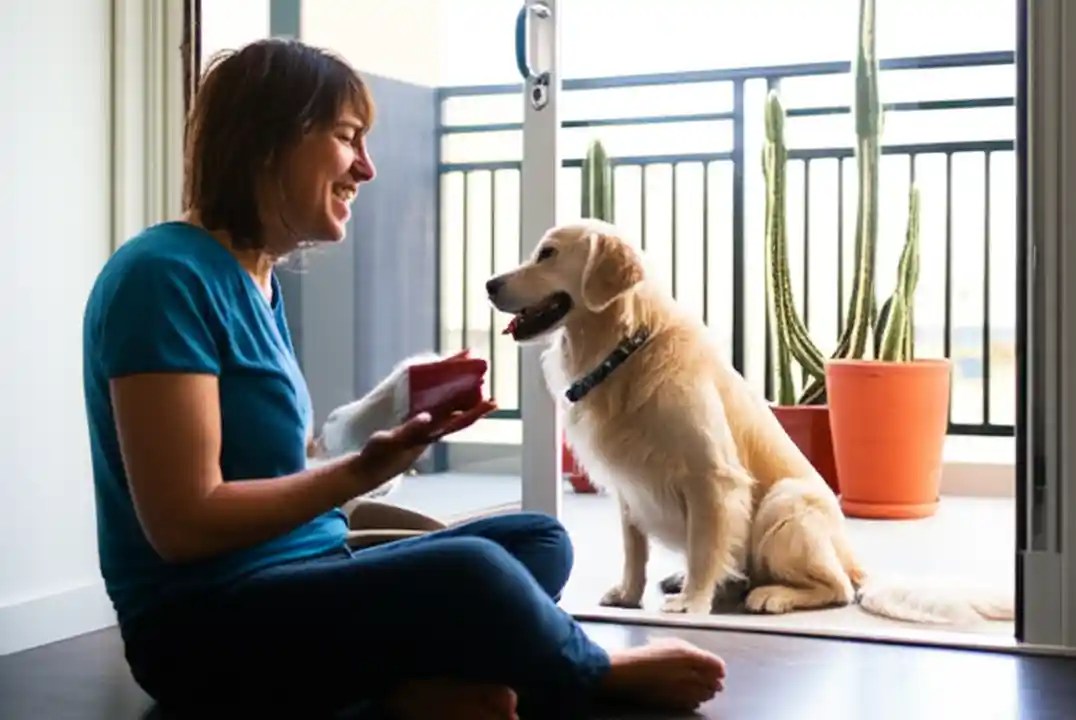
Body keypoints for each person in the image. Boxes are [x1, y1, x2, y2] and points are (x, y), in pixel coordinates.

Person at [81, 38, 726, 719]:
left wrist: (386, 437)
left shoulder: (255, 282)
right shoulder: (162, 276)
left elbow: (277, 467)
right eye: (346, 137)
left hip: (307, 577)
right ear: (270, 139)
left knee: (537, 540)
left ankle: (398, 693)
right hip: (204, 629)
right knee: (475, 577)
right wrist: (360, 472)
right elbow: (182, 524)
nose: (366, 167)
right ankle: (582, 672)